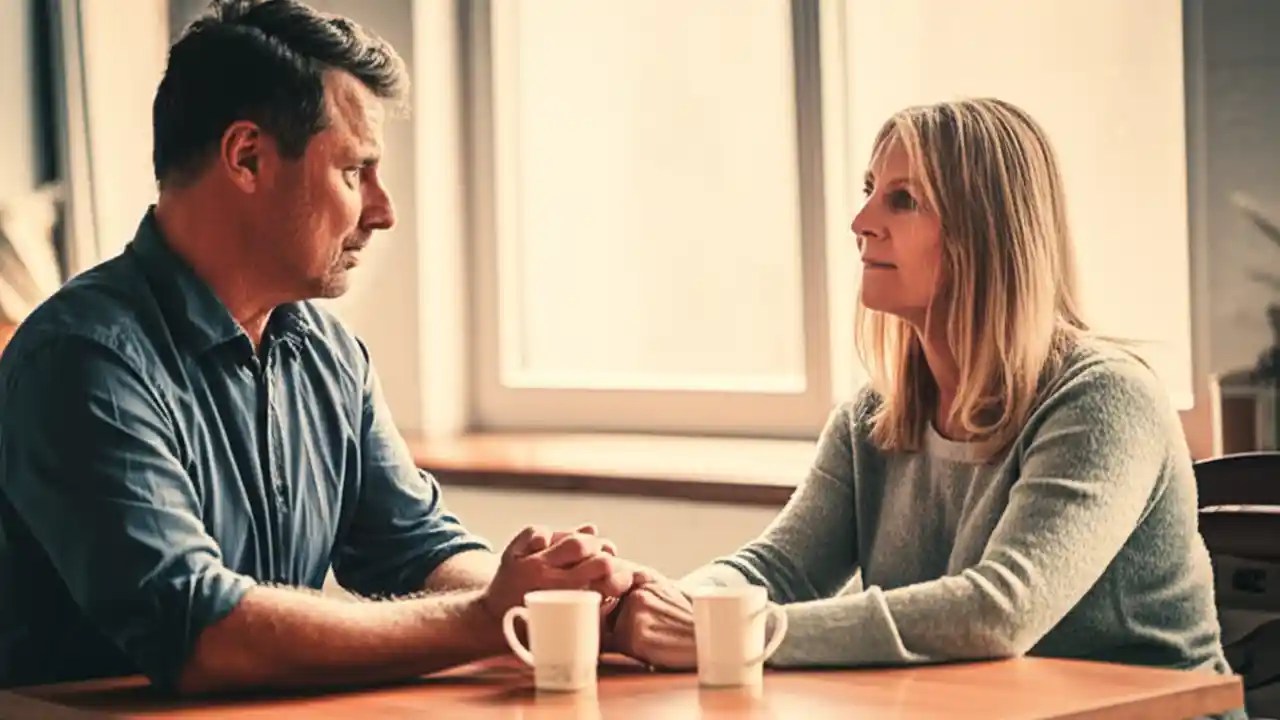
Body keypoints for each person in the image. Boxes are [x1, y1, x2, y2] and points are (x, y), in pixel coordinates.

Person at [0, 0, 641, 694]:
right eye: (353, 172)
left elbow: (417, 547)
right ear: (247, 157)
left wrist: (555, 594)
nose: (383, 209)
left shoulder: (329, 355)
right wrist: (488, 618)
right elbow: (198, 632)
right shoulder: (79, 360)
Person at [612, 98, 1235, 681]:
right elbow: (777, 570)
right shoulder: (873, 417)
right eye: (869, 192)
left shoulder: (1104, 399)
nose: (860, 223)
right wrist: (643, 608)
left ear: (986, 232)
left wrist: (733, 636)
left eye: (902, 200)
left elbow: (998, 611)